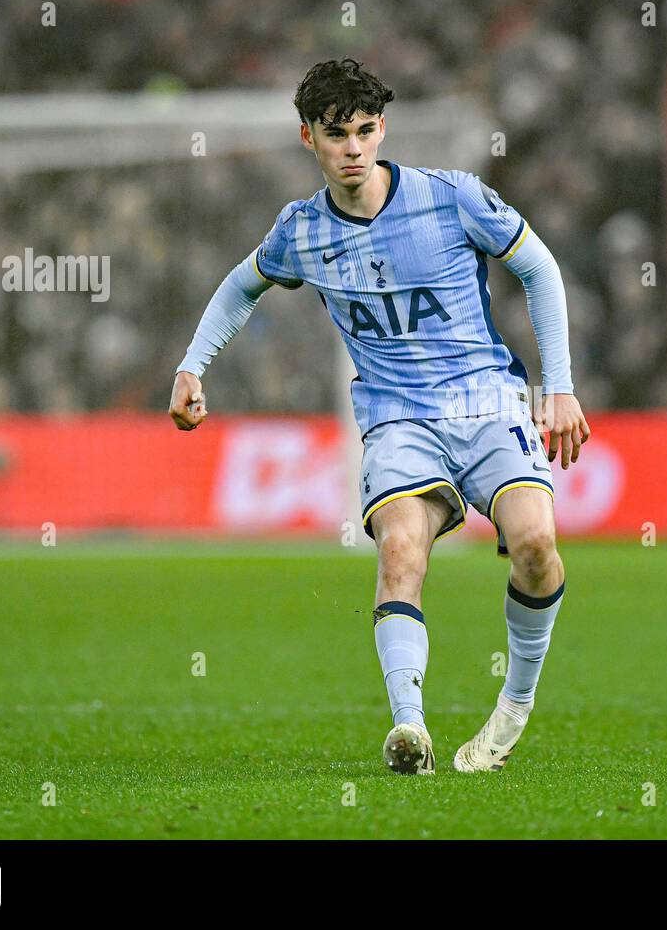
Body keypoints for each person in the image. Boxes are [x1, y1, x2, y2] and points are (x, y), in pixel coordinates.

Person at [169, 58, 590, 775]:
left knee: (536, 547)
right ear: (310, 138)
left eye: (366, 130)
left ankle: (512, 709)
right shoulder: (300, 231)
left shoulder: (452, 198)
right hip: (399, 420)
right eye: (338, 135)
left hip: (486, 403)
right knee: (400, 552)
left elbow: (539, 268)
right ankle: (410, 730)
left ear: (383, 128)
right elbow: (242, 288)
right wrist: (192, 365)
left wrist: (561, 386)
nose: (355, 148)